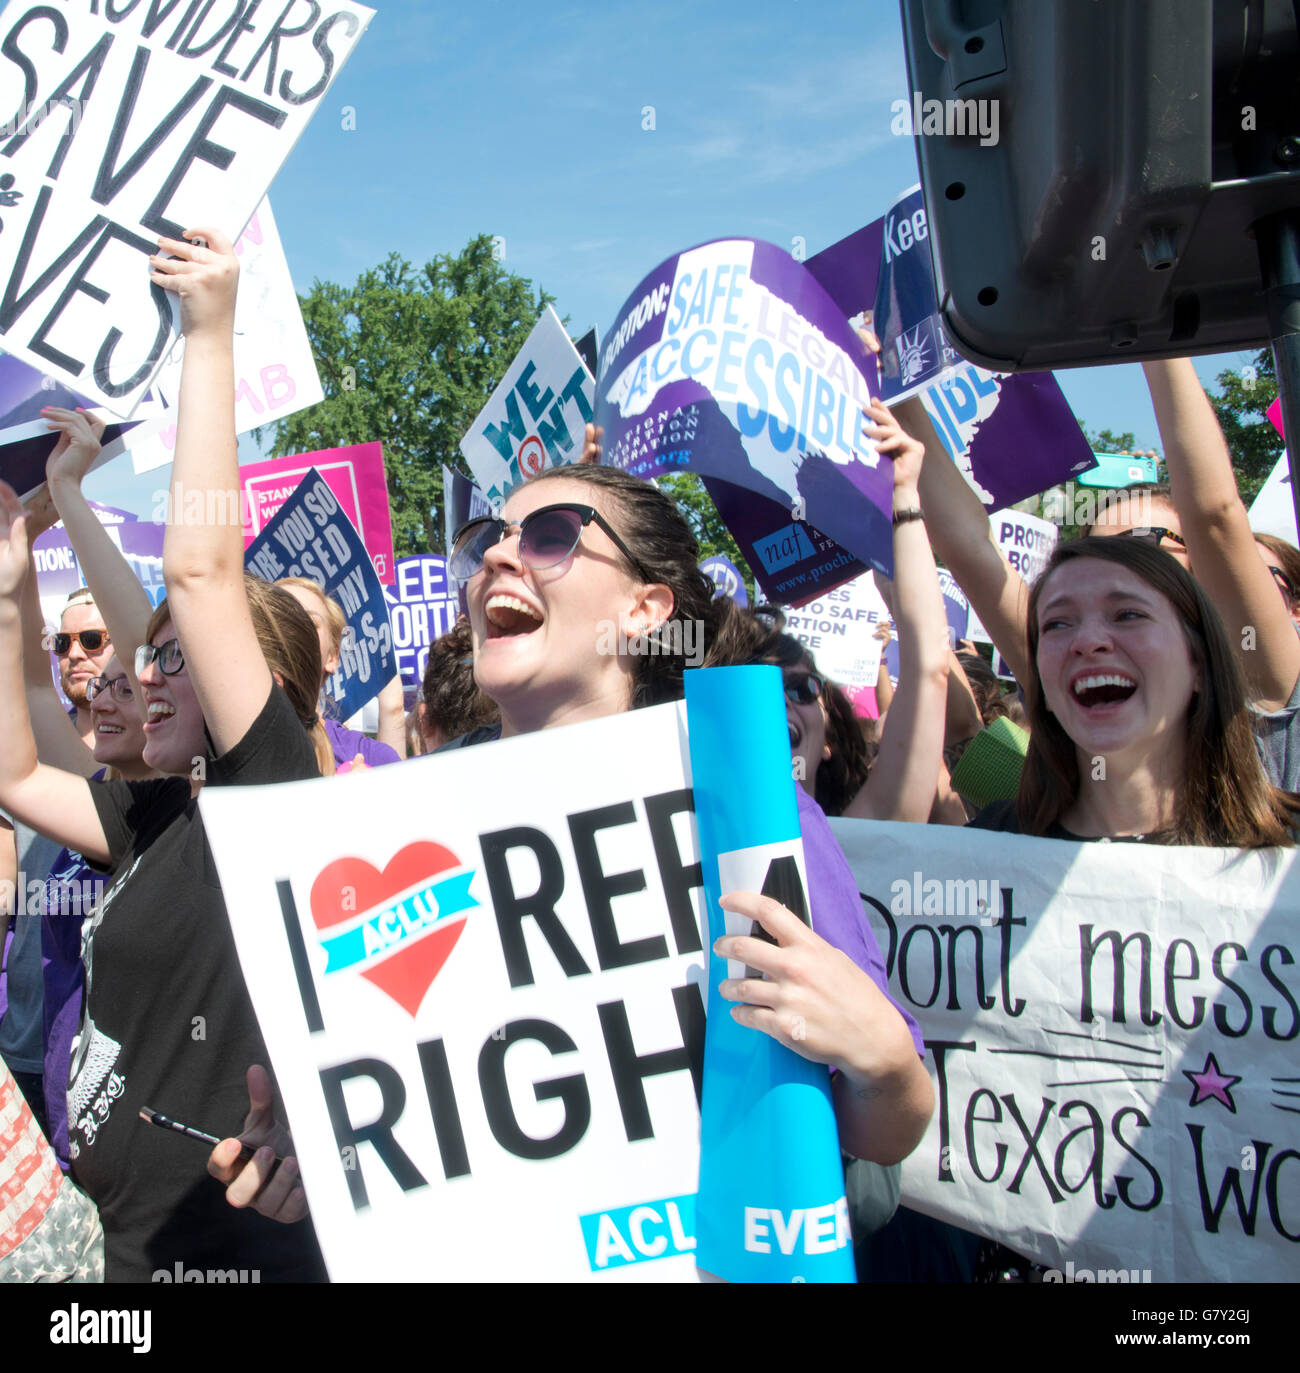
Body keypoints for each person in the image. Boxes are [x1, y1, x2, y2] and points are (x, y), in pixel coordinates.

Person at [212, 436, 936, 1219]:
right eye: (488, 540)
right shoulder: (397, 819)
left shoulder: (747, 807)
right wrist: (325, 1148)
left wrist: (887, 1061)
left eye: (551, 534)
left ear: (643, 609)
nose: (499, 557)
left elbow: (882, 1129)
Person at [0, 227, 332, 1280]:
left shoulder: (270, 801)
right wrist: (15, 575)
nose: (141, 677)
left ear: (260, 691)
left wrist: (210, 329)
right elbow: (12, 774)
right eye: (148, 661)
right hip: (110, 1260)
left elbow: (197, 573)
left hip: (218, 1258)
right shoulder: (154, 818)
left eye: (178, 662)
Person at [969, 535, 1299, 845]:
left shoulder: (1287, 847)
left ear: (1199, 663)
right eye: (1057, 623)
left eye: (1128, 615)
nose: (1087, 642)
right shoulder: (985, 849)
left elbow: (1216, 514)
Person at [276, 575, 402, 770]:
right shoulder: (219, 746)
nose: (292, 630)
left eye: (308, 621)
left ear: (332, 657)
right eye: (277, 618)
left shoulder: (374, 759)